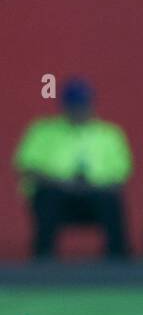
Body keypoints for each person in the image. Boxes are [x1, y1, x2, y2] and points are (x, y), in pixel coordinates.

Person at [13, 78, 132, 259]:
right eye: (73, 105)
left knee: (111, 201)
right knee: (47, 197)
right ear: (63, 106)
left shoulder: (109, 134)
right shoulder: (43, 130)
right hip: (57, 193)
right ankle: (42, 261)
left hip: (95, 194)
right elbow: (28, 168)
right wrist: (63, 183)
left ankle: (119, 262)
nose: (78, 110)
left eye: (83, 104)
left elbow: (120, 175)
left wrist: (89, 186)